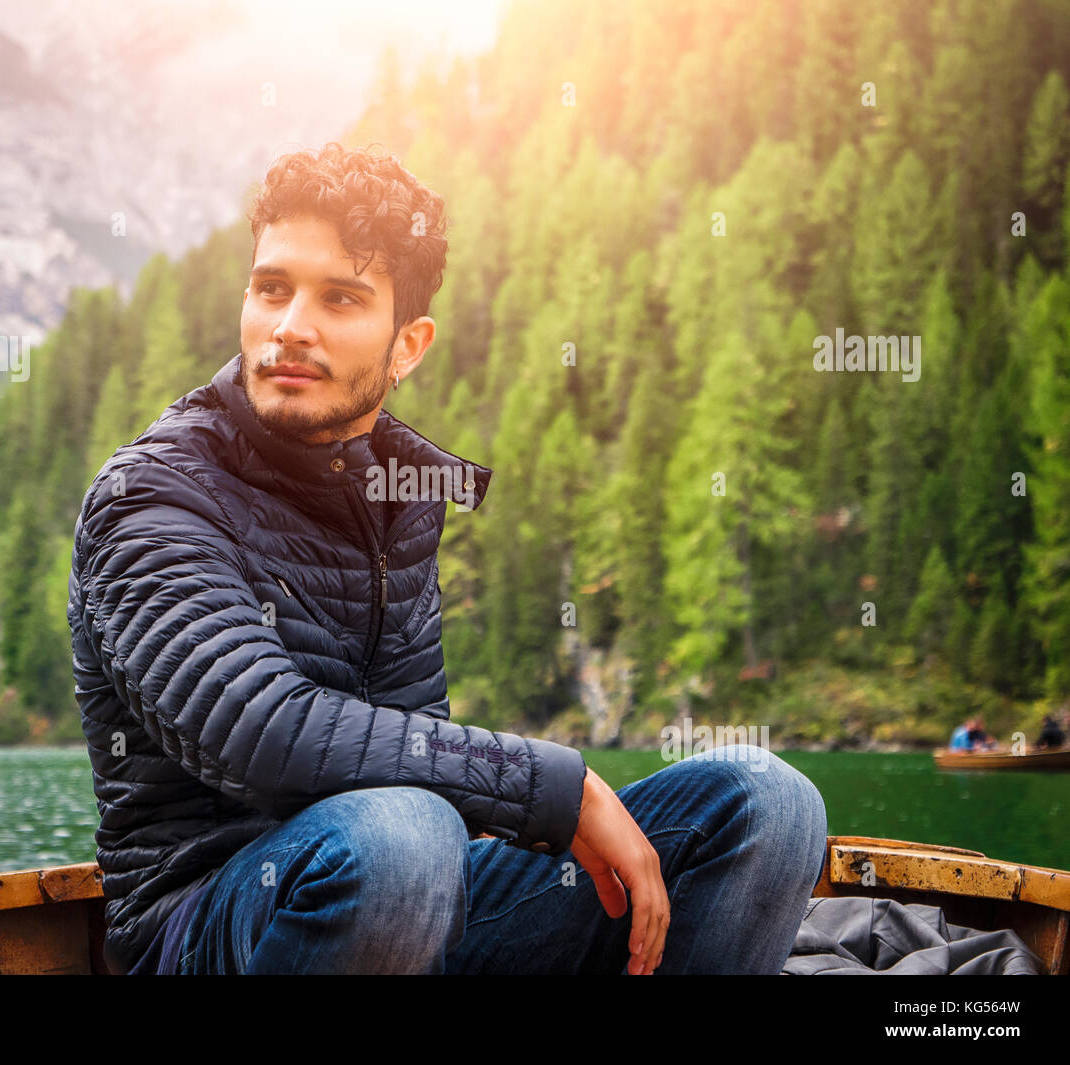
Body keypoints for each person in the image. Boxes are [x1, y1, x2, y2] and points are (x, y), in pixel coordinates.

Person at [68, 142, 827, 976]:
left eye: (342, 298)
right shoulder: (150, 496)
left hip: (410, 893)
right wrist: (553, 787)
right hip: (207, 921)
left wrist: (511, 821)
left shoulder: (399, 495)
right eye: (271, 287)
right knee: (402, 838)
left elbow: (419, 749)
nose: (290, 326)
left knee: (765, 802)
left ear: (408, 345)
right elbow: (260, 731)